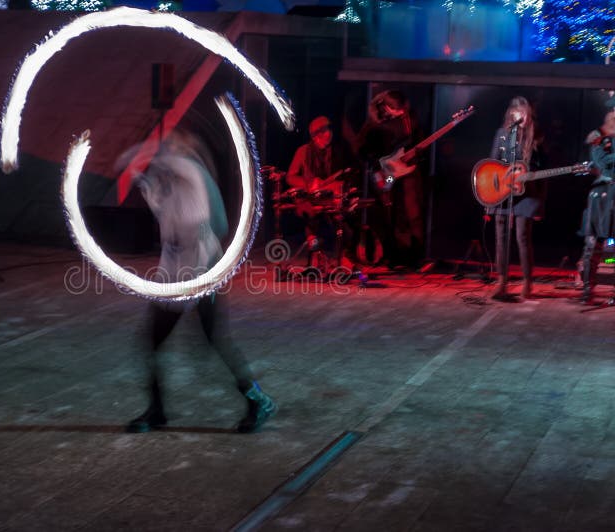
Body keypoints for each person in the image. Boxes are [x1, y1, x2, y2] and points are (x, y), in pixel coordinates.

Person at [126, 132, 277, 434]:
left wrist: (134, 156)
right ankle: (156, 411)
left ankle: (258, 400)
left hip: (202, 271)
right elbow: (158, 203)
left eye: (170, 149)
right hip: (173, 272)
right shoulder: (169, 184)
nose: (164, 154)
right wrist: (141, 179)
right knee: (152, 340)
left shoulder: (193, 176)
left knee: (215, 340)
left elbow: (213, 226)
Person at [356, 90, 425, 270]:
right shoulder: (374, 122)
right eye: (397, 110)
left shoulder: (408, 118)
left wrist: (415, 155)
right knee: (388, 212)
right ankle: (391, 257)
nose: (401, 113)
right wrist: (376, 166)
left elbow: (417, 141)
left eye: (403, 109)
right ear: (386, 107)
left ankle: (415, 258)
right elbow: (361, 149)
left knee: (413, 213)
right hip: (385, 173)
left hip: (406, 171)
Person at [487, 96, 546, 301]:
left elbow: (543, 169)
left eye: (526, 114)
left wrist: (540, 203)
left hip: (527, 192)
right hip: (503, 191)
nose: (523, 117)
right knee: (501, 237)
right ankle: (501, 281)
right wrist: (492, 193)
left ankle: (527, 282)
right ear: (512, 114)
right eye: (520, 113)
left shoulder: (536, 135)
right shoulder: (502, 134)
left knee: (522, 237)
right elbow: (492, 162)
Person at [286, 116, 356, 269]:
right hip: (310, 197)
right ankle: (316, 252)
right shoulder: (303, 152)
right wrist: (309, 183)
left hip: (331, 196)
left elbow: (348, 173)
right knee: (311, 217)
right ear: (315, 136)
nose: (328, 134)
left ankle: (343, 256)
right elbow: (290, 177)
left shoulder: (338, 150)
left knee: (344, 218)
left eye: (329, 130)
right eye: (324, 132)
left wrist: (342, 184)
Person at [578, 106, 615, 304]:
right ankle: (587, 289)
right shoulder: (598, 137)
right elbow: (600, 161)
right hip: (602, 195)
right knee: (593, 245)